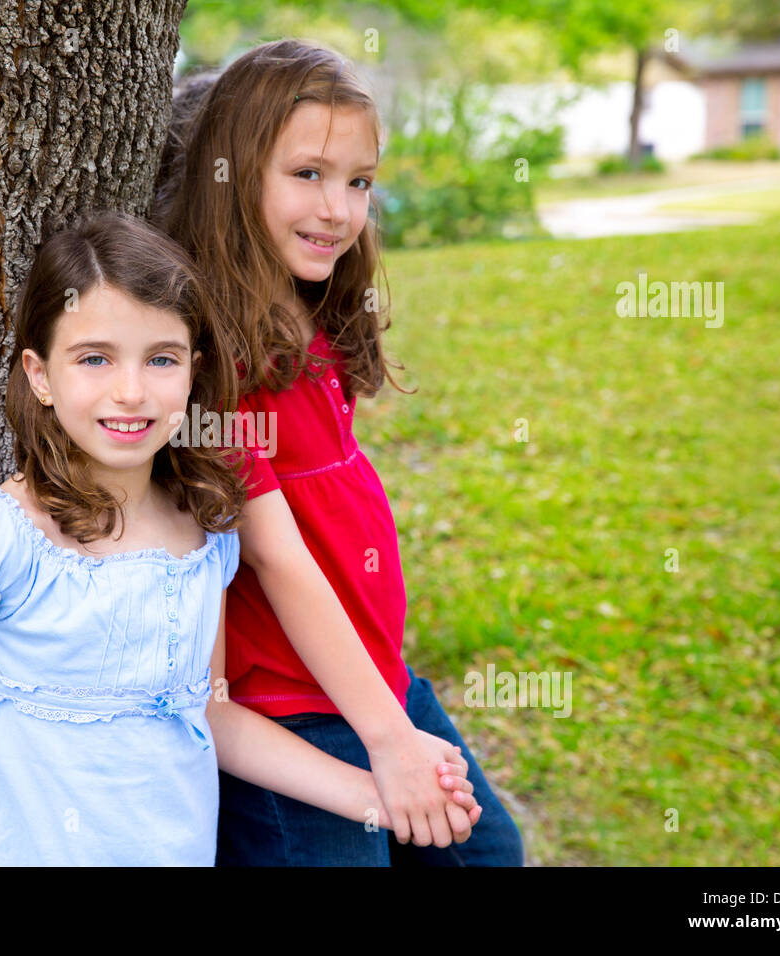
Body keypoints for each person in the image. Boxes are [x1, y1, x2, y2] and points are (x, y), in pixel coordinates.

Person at [0, 211, 476, 866]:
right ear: (39, 374)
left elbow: (205, 710)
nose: (130, 391)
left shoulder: (205, 532)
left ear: (194, 371)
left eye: (160, 358)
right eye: (94, 359)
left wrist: (372, 794)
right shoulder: (1, 544)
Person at [156, 39, 524, 865]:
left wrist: (392, 718)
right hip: (288, 711)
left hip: (374, 680)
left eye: (358, 182)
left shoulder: (309, 314)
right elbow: (281, 560)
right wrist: (389, 743)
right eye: (308, 175)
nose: (338, 209)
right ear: (234, 170)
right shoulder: (209, 362)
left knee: (489, 853)